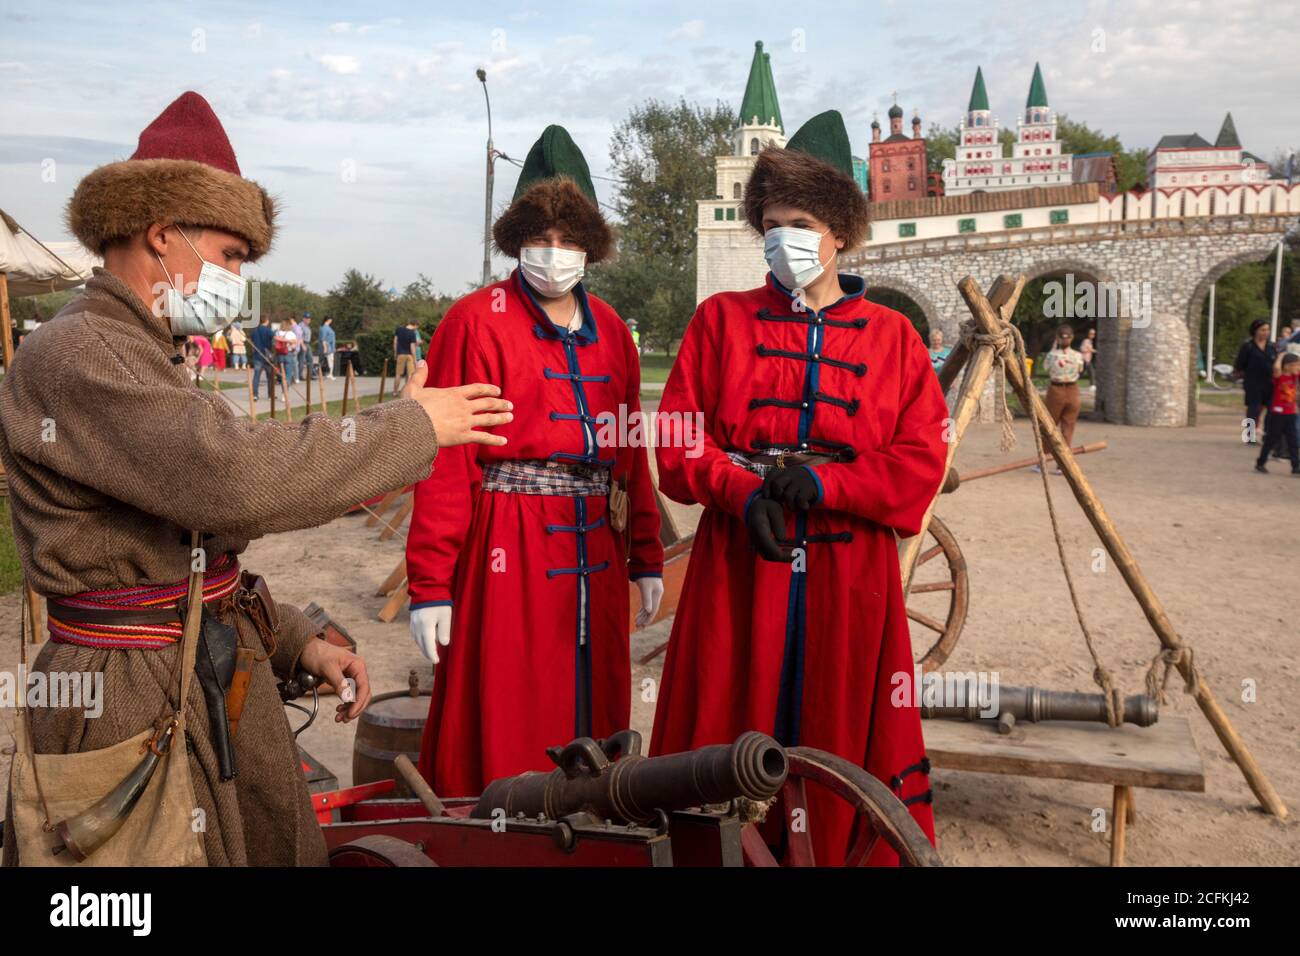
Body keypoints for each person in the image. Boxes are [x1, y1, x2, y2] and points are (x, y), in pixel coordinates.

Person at [0, 91, 512, 867]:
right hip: (123, 695)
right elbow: (231, 477)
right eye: (232, 255)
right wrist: (410, 428)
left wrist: (296, 643)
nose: (239, 278)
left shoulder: (147, 349)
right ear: (161, 233)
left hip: (195, 666)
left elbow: (196, 549)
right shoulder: (76, 353)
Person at [650, 111, 947, 866]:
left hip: (851, 573)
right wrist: (741, 491)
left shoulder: (893, 337)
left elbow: (919, 460)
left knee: (841, 719)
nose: (785, 238)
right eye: (772, 224)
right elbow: (680, 444)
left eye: (803, 222)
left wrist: (831, 482)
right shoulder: (720, 320)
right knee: (729, 720)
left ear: (840, 231)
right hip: (740, 557)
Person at [407, 125, 664, 798]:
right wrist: (431, 581)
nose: (553, 254)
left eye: (568, 240)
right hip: (507, 541)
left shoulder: (613, 330)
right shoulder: (474, 320)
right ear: (517, 239)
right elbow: (446, 459)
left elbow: (630, 453)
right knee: (510, 697)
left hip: (598, 549)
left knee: (596, 705)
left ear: (590, 245)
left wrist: (644, 555)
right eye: (540, 239)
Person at [1254, 352, 1300, 474]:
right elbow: (1276, 368)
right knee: (1270, 440)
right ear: (1287, 366)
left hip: (1290, 414)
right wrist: (1281, 356)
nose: (1297, 367)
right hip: (1278, 415)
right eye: (1295, 365)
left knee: (1293, 441)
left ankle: (1296, 467)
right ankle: (1260, 463)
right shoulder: (1279, 377)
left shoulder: (1295, 377)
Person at [1234, 319, 1277, 444]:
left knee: (1271, 410)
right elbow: (1239, 365)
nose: (1265, 332)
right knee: (1253, 410)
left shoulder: (1271, 346)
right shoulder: (1248, 346)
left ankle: (1267, 435)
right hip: (1253, 383)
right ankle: (1249, 436)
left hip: (1270, 384)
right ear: (1255, 331)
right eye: (1262, 330)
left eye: (1267, 330)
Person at [250, 315, 274, 400]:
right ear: (266, 320)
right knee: (270, 377)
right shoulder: (268, 331)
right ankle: (270, 395)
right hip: (267, 357)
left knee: (256, 376)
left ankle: (255, 395)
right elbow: (274, 340)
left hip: (257, 356)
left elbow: (252, 344)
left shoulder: (254, 331)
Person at [274, 317, 298, 393]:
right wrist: (287, 341)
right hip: (288, 354)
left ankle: (283, 389)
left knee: (282, 375)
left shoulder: (277, 333)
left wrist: (281, 339)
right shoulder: (291, 334)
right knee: (288, 374)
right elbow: (294, 344)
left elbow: (274, 343)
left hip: (279, 355)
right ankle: (285, 392)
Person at [394, 320, 419, 386]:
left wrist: (395, 354)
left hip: (400, 354)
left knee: (398, 374)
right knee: (410, 374)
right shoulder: (412, 333)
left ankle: (395, 392)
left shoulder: (399, 330)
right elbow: (412, 347)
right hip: (409, 356)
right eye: (417, 327)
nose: (416, 329)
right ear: (415, 325)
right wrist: (415, 360)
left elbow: (395, 342)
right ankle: (407, 391)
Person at [319, 315, 337, 380]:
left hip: (330, 347)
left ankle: (330, 373)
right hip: (328, 346)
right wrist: (325, 348)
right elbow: (323, 339)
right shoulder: (324, 328)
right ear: (329, 320)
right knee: (329, 360)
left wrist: (333, 347)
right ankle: (329, 373)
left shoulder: (327, 327)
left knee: (330, 360)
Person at [298, 313, 313, 382]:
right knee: (302, 360)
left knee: (310, 359)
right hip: (302, 343)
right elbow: (299, 336)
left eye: (309, 318)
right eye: (307, 318)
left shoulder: (307, 326)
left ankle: (310, 375)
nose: (308, 320)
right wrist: (302, 345)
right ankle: (299, 375)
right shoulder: (300, 326)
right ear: (303, 318)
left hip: (308, 343)